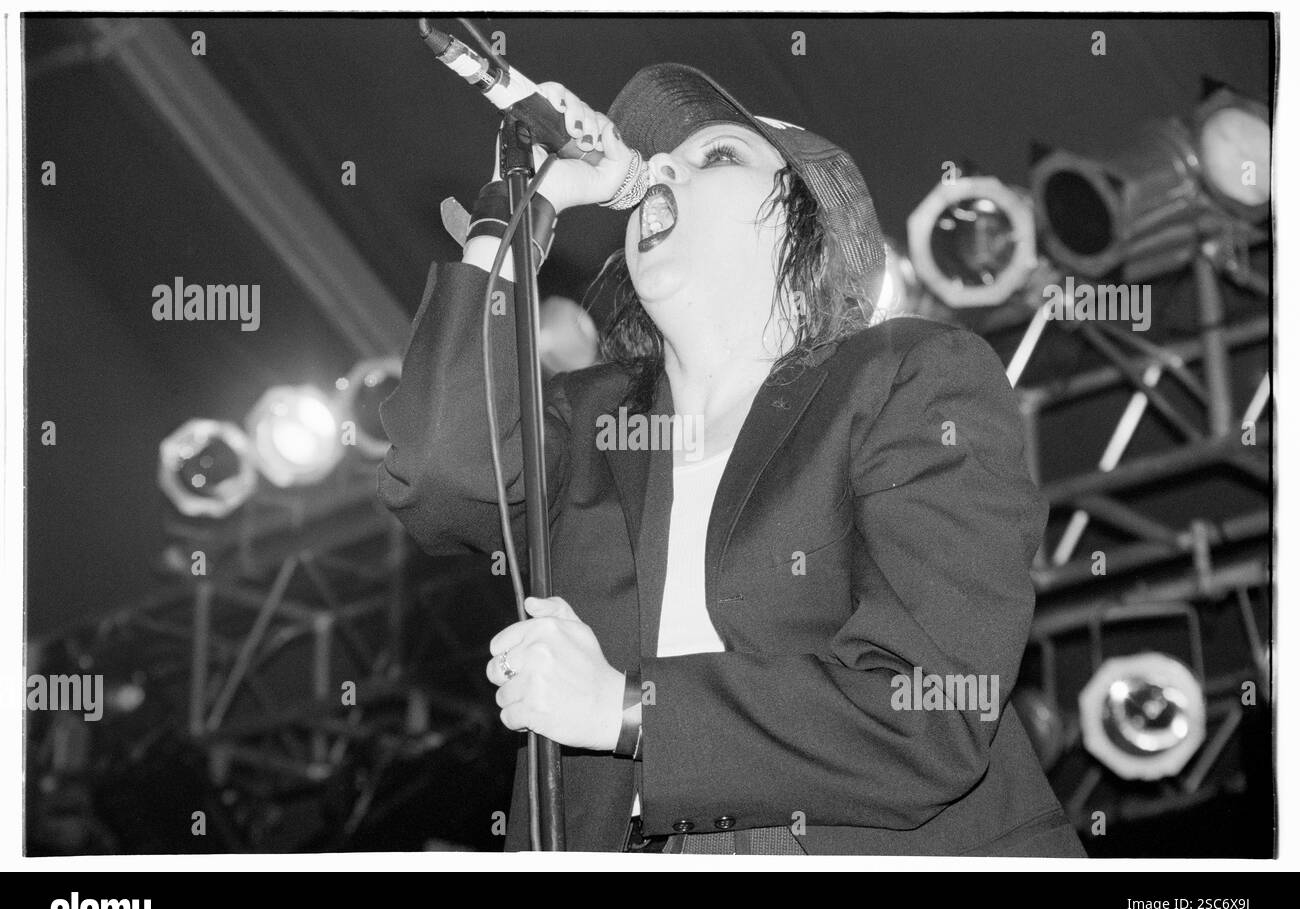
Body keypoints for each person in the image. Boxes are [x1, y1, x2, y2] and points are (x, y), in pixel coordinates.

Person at [378, 62, 1086, 856]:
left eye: (716, 154)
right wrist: (521, 207)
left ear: (805, 222)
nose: (661, 170)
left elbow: (931, 711)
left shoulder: (904, 377)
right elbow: (438, 475)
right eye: (654, 165)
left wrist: (624, 711)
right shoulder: (586, 425)